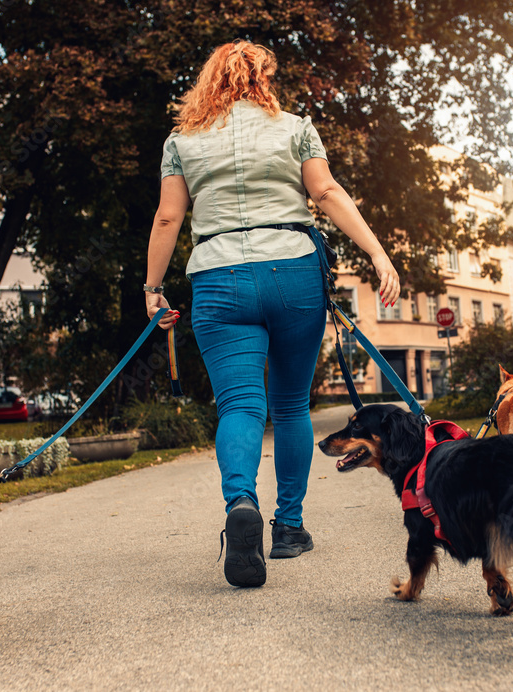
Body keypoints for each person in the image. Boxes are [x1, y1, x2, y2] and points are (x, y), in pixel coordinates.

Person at [145, 40, 400, 588]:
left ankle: (242, 504)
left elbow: (168, 218)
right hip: (292, 271)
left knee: (239, 404)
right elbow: (326, 191)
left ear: (209, 80)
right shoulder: (296, 128)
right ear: (263, 78)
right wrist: (377, 254)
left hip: (217, 275)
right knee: (288, 405)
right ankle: (288, 527)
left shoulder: (181, 140)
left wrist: (152, 289)